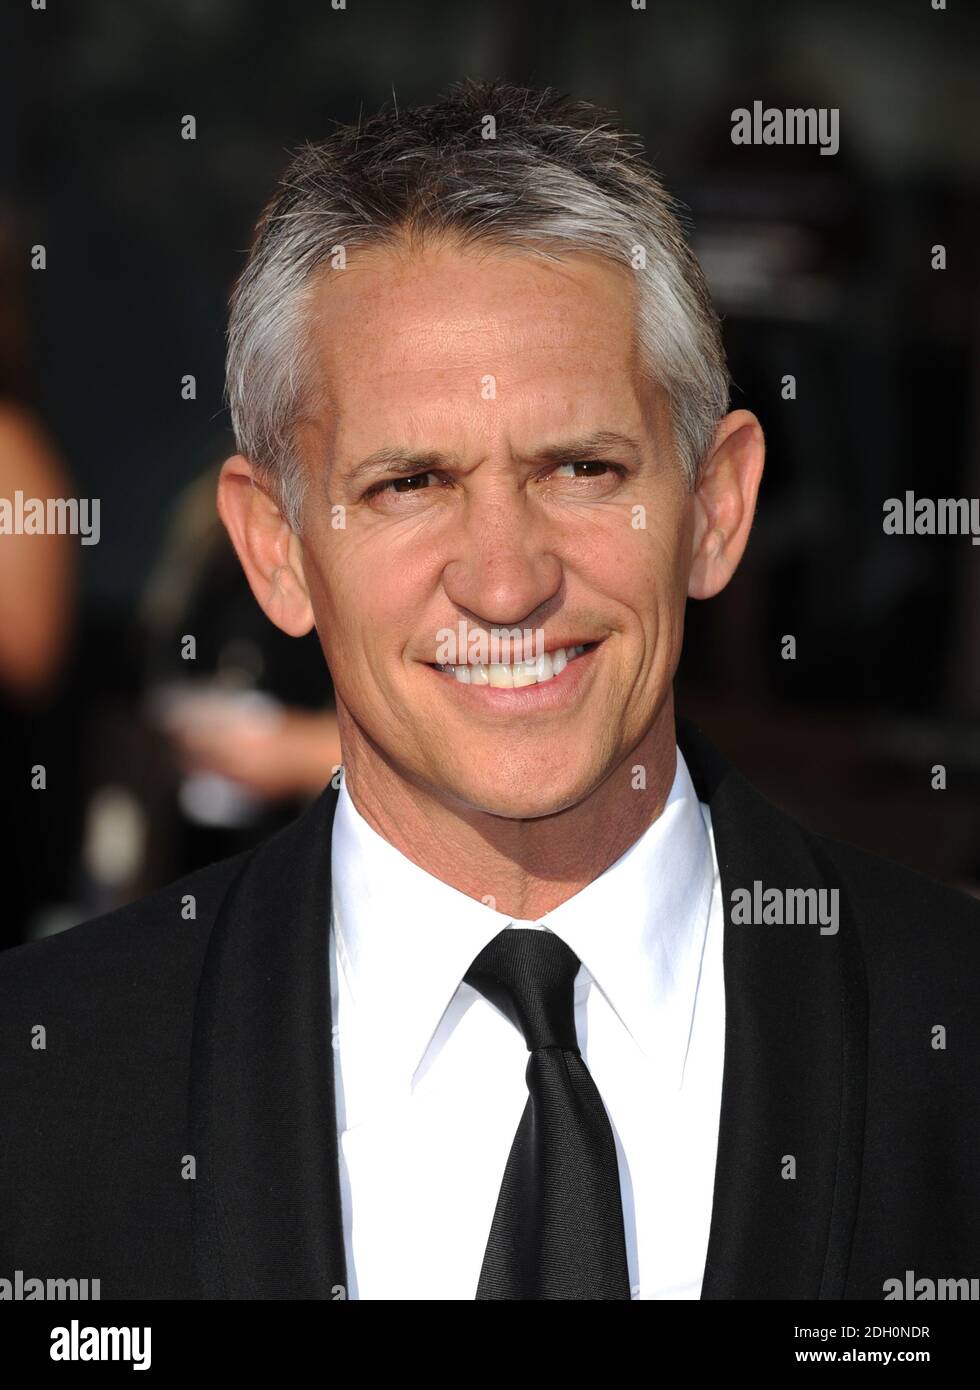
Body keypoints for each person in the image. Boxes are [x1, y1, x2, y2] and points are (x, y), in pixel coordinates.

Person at [1, 79, 977, 1301]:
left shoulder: (948, 1032)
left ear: (715, 510)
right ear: (276, 550)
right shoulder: (44, 1079)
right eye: (409, 483)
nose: (505, 582)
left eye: (580, 466)